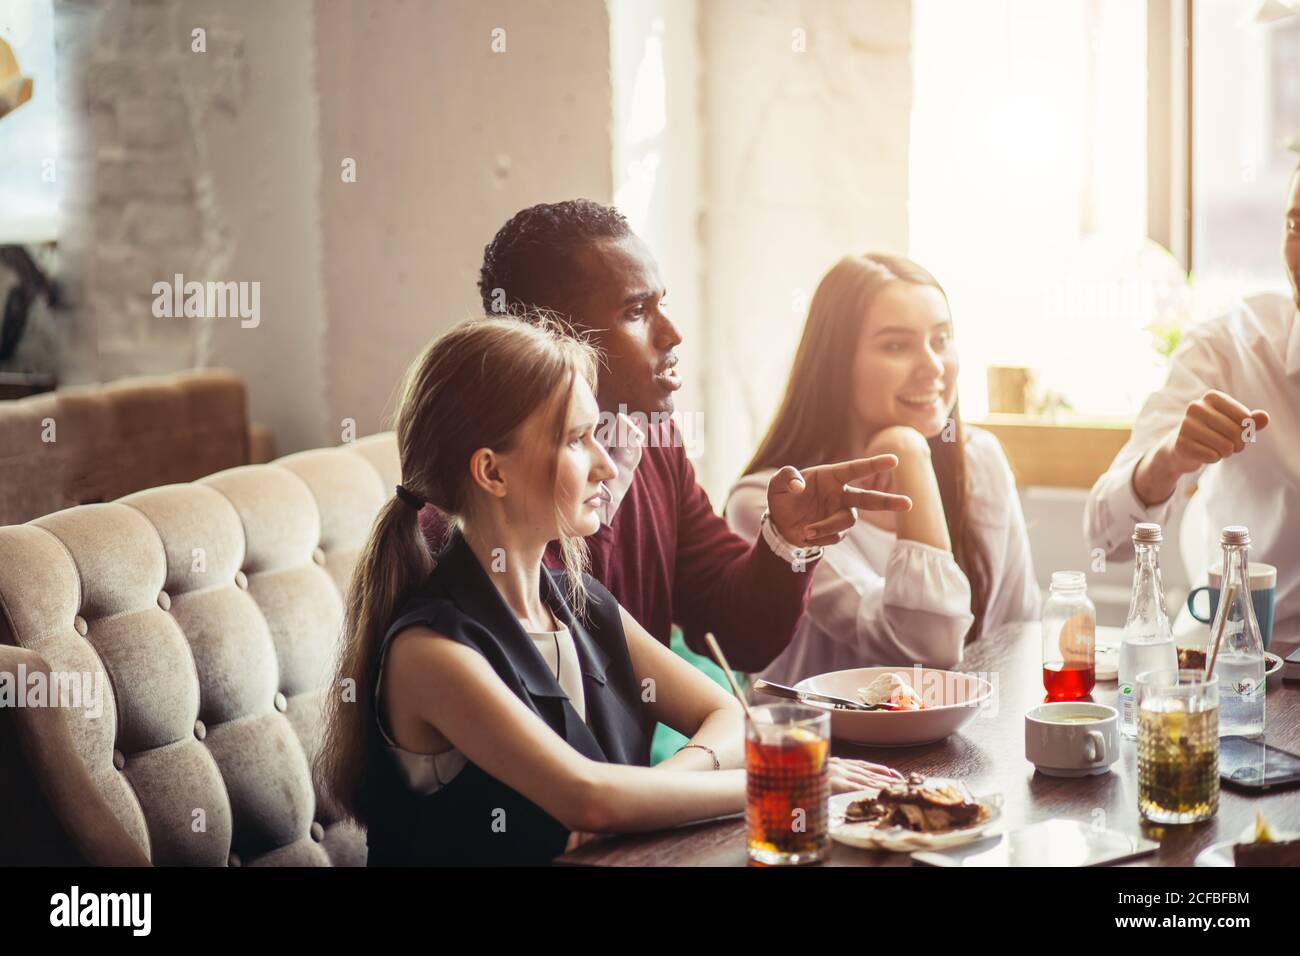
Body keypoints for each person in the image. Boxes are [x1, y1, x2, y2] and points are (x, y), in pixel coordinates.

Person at [318, 317, 903, 866]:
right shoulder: (430, 654)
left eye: (596, 433)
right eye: (576, 440)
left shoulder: (579, 601)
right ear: (492, 473)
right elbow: (590, 799)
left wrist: (648, 793)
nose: (604, 463)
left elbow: (725, 711)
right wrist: (789, 776)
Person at [420, 200, 912, 675]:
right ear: (547, 338)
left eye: (663, 304)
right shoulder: (477, 504)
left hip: (646, 764)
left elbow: (740, 633)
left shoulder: (653, 441)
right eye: (636, 312)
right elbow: (570, 686)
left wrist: (785, 541)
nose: (672, 334)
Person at [727, 254, 1040, 686]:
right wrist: (909, 454)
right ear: (836, 363)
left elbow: (1019, 631)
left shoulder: (980, 459)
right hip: (823, 749)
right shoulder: (774, 500)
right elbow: (924, 652)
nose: (933, 366)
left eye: (942, 339)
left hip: (964, 745)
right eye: (897, 345)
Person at [1085, 160, 1300, 638]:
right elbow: (1106, 540)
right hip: (1232, 658)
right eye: (1295, 224)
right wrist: (1169, 458)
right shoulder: (1230, 348)